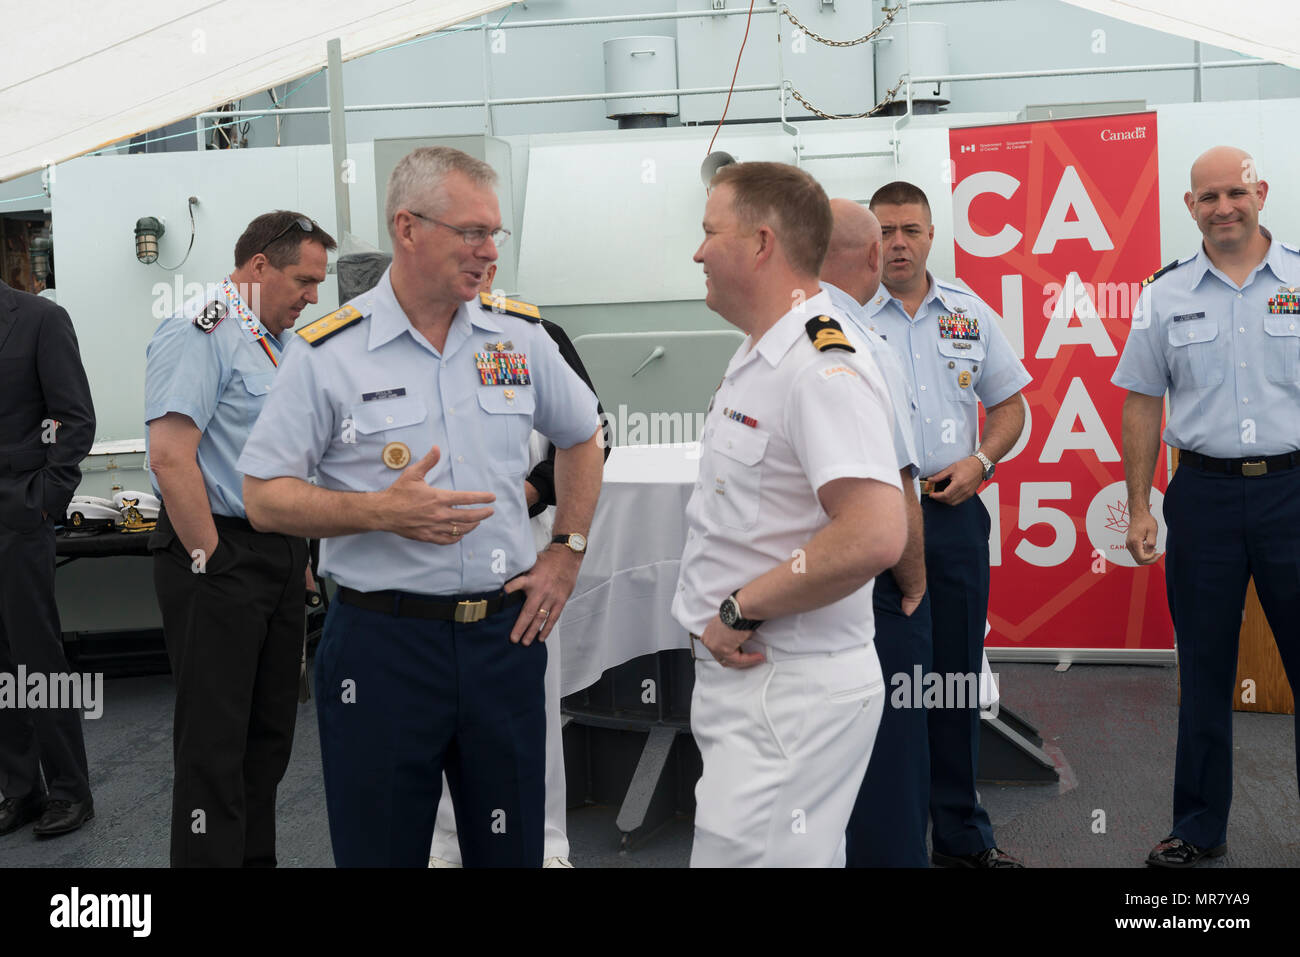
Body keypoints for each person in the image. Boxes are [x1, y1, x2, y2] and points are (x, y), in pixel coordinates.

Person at [238, 146, 604, 868]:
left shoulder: (519, 336)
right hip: (382, 647)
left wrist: (567, 549)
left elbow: (584, 434)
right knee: (382, 850)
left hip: (505, 640)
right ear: (407, 228)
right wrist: (379, 511)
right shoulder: (328, 353)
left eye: (495, 234)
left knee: (514, 849)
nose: (488, 251)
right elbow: (263, 496)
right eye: (471, 232)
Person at [673, 161, 907, 868]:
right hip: (764, 687)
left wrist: (742, 606)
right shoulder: (765, 353)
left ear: (761, 244)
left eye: (710, 232)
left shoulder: (818, 362)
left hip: (786, 685)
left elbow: (874, 531)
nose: (698, 251)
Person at [1114, 145, 1300, 868]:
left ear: (1261, 192)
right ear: (1189, 207)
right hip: (1204, 497)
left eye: (1235, 192)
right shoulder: (1165, 293)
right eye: (1207, 196)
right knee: (1205, 669)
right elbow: (1141, 401)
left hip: (1293, 491)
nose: (1223, 206)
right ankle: (1196, 826)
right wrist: (1139, 505)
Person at [145, 210, 335, 866]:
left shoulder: (281, 342)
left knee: (268, 740)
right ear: (258, 267)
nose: (313, 297)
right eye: (303, 281)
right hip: (217, 552)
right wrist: (212, 560)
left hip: (277, 556)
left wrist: (299, 558)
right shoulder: (200, 332)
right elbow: (172, 456)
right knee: (214, 748)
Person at [863, 181, 1030, 868]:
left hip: (952, 514)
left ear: (932, 234)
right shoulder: (840, 317)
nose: (898, 242)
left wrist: (982, 462)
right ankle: (886, 843)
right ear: (868, 240)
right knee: (877, 686)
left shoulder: (968, 313)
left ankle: (963, 839)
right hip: (869, 522)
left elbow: (1012, 405)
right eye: (885, 230)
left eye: (911, 229)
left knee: (954, 679)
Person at [428, 264, 608, 869]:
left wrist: (530, 495)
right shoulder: (399, 347)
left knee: (528, 700)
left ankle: (547, 842)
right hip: (427, 548)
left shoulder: (536, 336)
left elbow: (590, 436)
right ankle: (446, 845)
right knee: (438, 708)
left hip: (523, 542)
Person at [819, 199, 931, 868]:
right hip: (876, 587)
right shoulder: (862, 342)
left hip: (812, 587)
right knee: (891, 757)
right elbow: (897, 483)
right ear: (868, 258)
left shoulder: (786, 334)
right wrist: (915, 581)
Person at [0, 278, 96, 838]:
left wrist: (45, 501)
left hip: (19, 512)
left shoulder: (40, 318)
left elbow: (75, 417)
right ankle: (21, 790)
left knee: (37, 655)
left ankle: (69, 791)